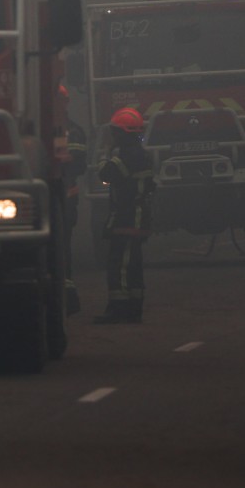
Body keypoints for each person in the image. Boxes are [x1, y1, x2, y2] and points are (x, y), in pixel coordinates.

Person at [93, 107, 155, 325]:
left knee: (120, 263)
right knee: (133, 263)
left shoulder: (129, 155)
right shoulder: (139, 153)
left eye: (114, 132)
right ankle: (134, 307)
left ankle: (119, 309)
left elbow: (105, 174)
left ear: (121, 133)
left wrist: (102, 156)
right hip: (134, 214)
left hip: (128, 216)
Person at [54, 104, 88, 316]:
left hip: (64, 198)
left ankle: (66, 295)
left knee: (62, 245)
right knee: (61, 246)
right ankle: (65, 293)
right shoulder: (65, 129)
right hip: (62, 198)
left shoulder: (70, 131)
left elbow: (78, 165)